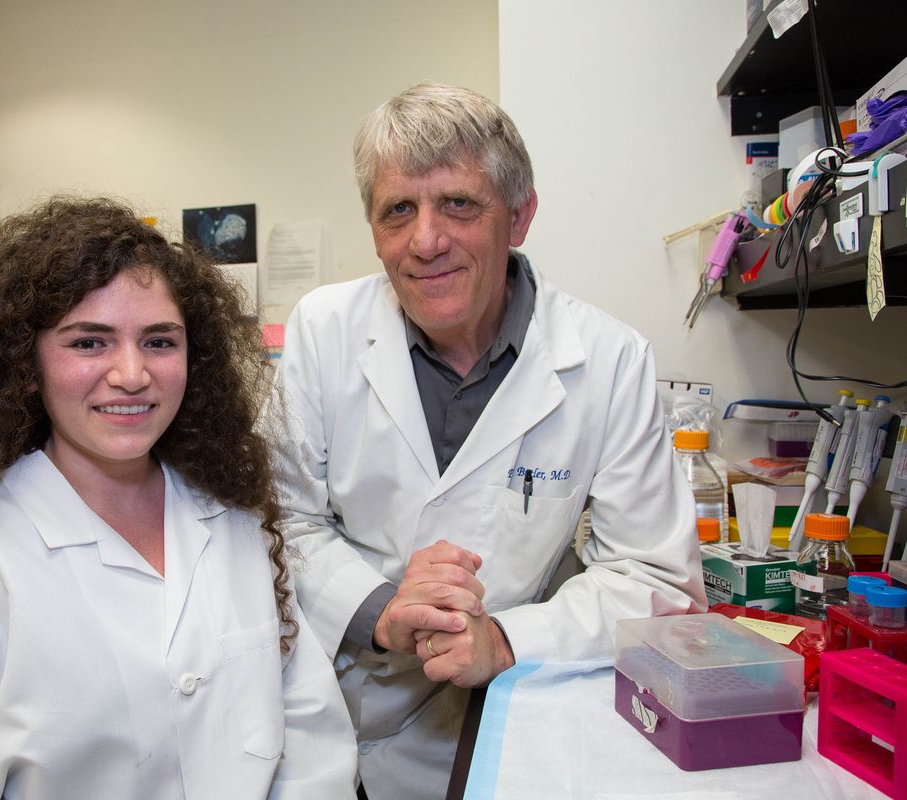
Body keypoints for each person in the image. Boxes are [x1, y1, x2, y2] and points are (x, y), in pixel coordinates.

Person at [271, 83, 707, 798]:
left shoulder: (607, 358)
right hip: (333, 718)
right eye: (398, 211)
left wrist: (507, 639)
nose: (426, 240)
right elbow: (279, 521)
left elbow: (654, 579)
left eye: (459, 204)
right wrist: (382, 610)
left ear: (521, 214)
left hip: (509, 714)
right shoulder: (324, 330)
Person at [0, 197, 358, 799]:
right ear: (25, 363)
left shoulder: (236, 519)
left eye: (160, 341)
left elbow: (310, 742)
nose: (132, 373)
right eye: (89, 343)